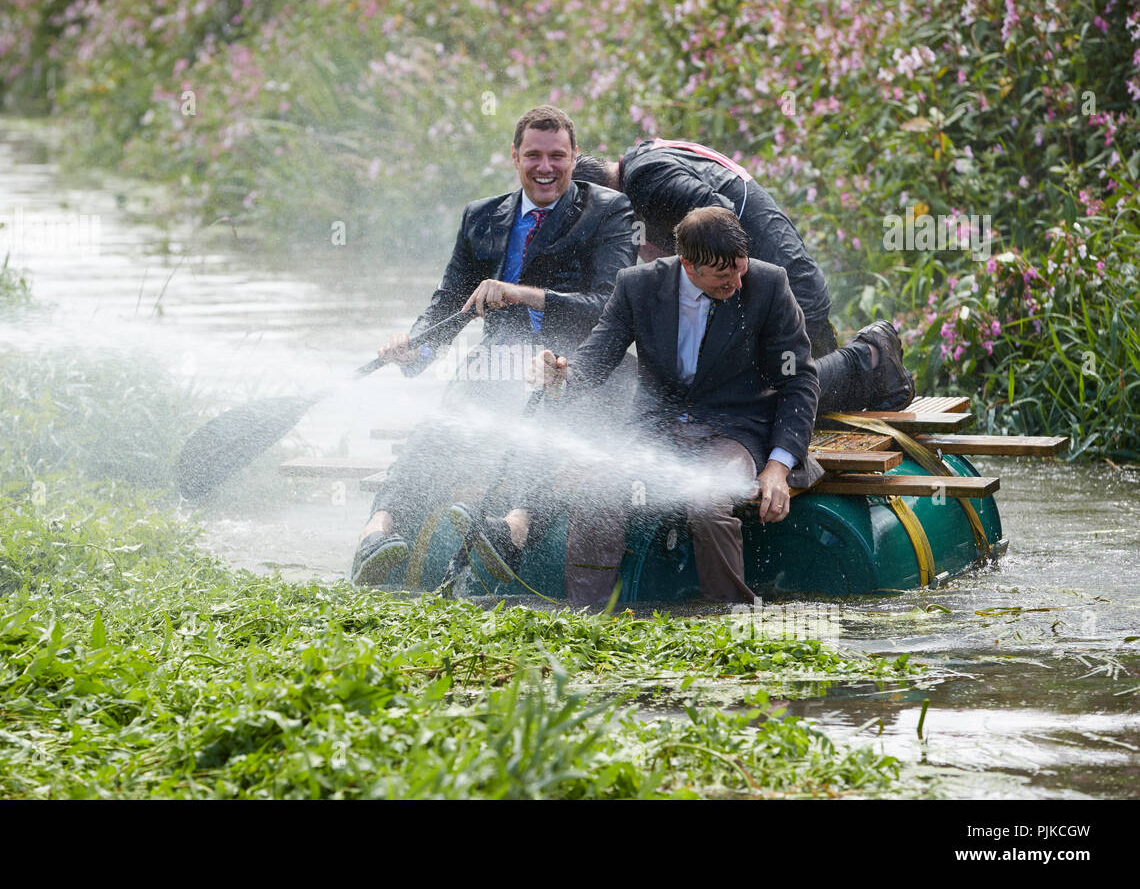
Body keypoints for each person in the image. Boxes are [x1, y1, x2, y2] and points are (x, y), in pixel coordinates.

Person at [456, 206, 822, 605]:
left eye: (740, 268)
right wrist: (561, 376)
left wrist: (777, 467)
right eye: (723, 275)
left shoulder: (768, 285)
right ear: (688, 265)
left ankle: (731, 617)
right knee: (597, 490)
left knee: (707, 501)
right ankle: (588, 616)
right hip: (654, 429)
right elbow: (594, 361)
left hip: (734, 430)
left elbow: (799, 379)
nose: (736, 282)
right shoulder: (637, 285)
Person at [351, 105, 636, 584]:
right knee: (438, 431)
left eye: (557, 156)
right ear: (514, 157)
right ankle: (375, 534)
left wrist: (521, 293)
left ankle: (511, 533)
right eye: (533, 156)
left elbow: (609, 304)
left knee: (552, 426)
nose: (545, 167)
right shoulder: (480, 217)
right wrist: (414, 350)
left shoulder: (609, 211)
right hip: (497, 363)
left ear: (575, 156)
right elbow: (448, 303)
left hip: (577, 364)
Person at [572, 139, 913, 413]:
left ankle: (870, 354)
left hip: (785, 296)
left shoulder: (648, 180)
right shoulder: (643, 159)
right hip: (780, 286)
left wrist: (676, 258)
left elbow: (722, 215)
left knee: (739, 402)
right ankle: (861, 372)